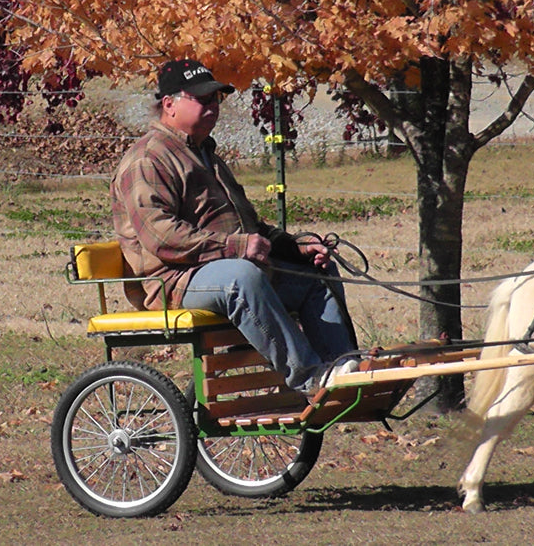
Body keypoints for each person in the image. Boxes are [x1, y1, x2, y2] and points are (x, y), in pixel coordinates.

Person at [109, 58, 359, 395]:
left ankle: (343, 368)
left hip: (223, 269)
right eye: (202, 99)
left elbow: (248, 225)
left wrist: (295, 248)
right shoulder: (147, 159)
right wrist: (236, 248)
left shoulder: (205, 153)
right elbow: (160, 237)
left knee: (315, 273)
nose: (212, 106)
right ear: (169, 104)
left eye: (216, 99)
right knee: (242, 277)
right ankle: (310, 376)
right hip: (173, 281)